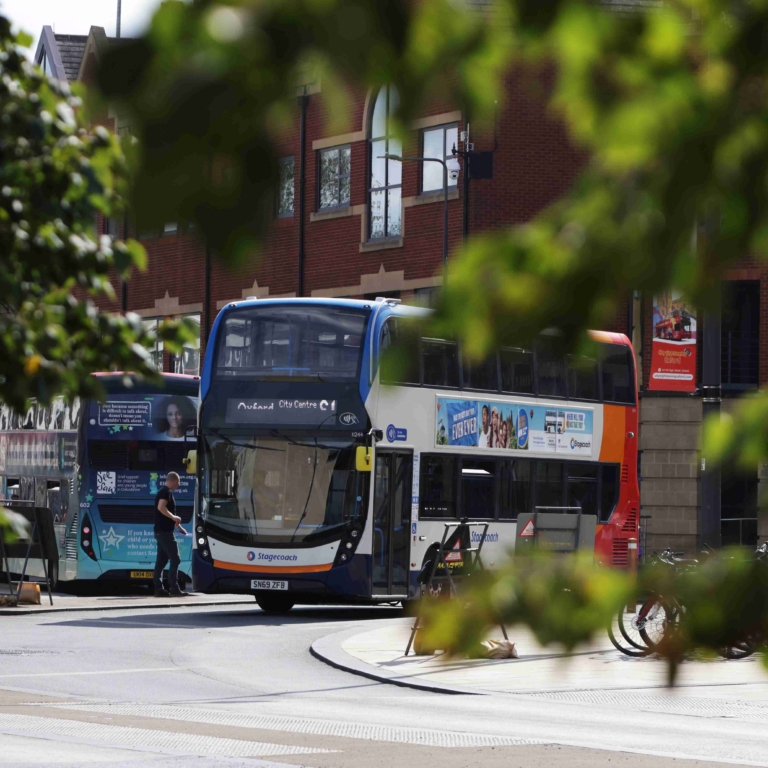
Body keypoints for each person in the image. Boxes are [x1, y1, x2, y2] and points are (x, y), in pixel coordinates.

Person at [153, 471, 188, 597]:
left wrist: (180, 527)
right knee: (175, 558)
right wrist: (174, 517)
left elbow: (166, 515)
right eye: (178, 482)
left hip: (162, 531)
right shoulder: (165, 492)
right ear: (173, 481)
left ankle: (158, 589)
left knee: (161, 561)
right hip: (165, 532)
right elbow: (161, 508)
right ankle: (174, 588)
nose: (178, 485)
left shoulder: (165, 492)